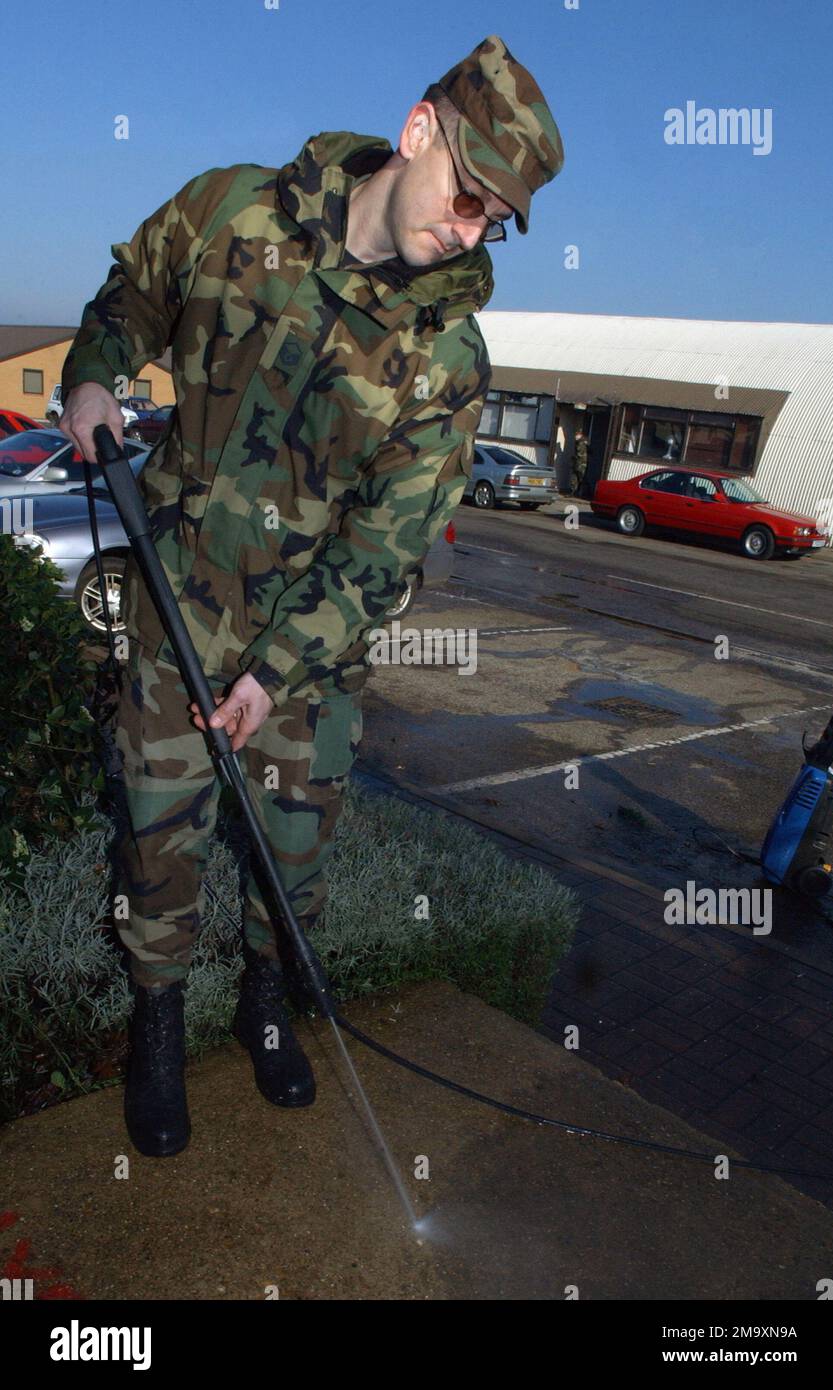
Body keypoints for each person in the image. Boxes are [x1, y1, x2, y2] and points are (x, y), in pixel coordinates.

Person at [59, 34, 564, 1157]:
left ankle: (264, 999)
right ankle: (155, 1021)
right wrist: (96, 368)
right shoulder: (236, 212)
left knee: (292, 850)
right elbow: (132, 289)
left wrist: (270, 673)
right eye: (466, 194)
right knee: (157, 837)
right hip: (176, 608)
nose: (469, 228)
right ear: (418, 130)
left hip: (305, 660)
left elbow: (385, 553)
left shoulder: (446, 358)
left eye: (494, 218)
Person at [571, 429, 589, 496]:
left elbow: (579, 454)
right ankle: (573, 492)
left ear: (580, 435)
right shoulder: (580, 441)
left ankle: (580, 493)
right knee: (575, 478)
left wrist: (573, 458)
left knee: (581, 478)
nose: (575, 436)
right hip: (578, 463)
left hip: (581, 464)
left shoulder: (581, 442)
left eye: (576, 435)